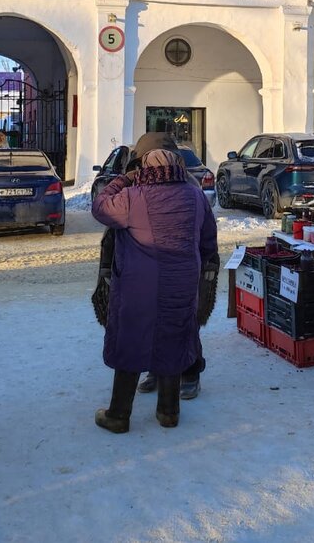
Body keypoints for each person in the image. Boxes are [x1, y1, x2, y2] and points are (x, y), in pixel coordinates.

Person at [91, 146, 217, 432]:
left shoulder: (133, 197)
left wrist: (123, 179)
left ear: (145, 170)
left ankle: (118, 415)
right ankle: (169, 412)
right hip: (182, 283)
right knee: (173, 338)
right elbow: (208, 238)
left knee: (131, 341)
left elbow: (100, 207)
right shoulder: (195, 195)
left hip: (139, 285)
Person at [124, 132, 213, 400]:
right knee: (152, 323)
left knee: (184, 324)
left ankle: (190, 373)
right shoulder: (139, 185)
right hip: (148, 270)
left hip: (182, 268)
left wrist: (209, 263)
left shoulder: (189, 186)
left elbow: (206, 231)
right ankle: (155, 370)